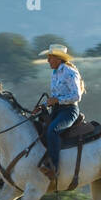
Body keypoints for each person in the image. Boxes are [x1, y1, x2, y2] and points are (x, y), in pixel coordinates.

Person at [37, 44, 84, 179]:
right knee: (40, 127)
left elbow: (76, 96)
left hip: (69, 111)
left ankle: (54, 167)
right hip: (57, 110)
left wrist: (56, 101)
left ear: (57, 58)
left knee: (53, 129)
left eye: (50, 57)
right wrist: (44, 105)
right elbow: (54, 98)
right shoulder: (55, 73)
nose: (47, 61)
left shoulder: (70, 72)